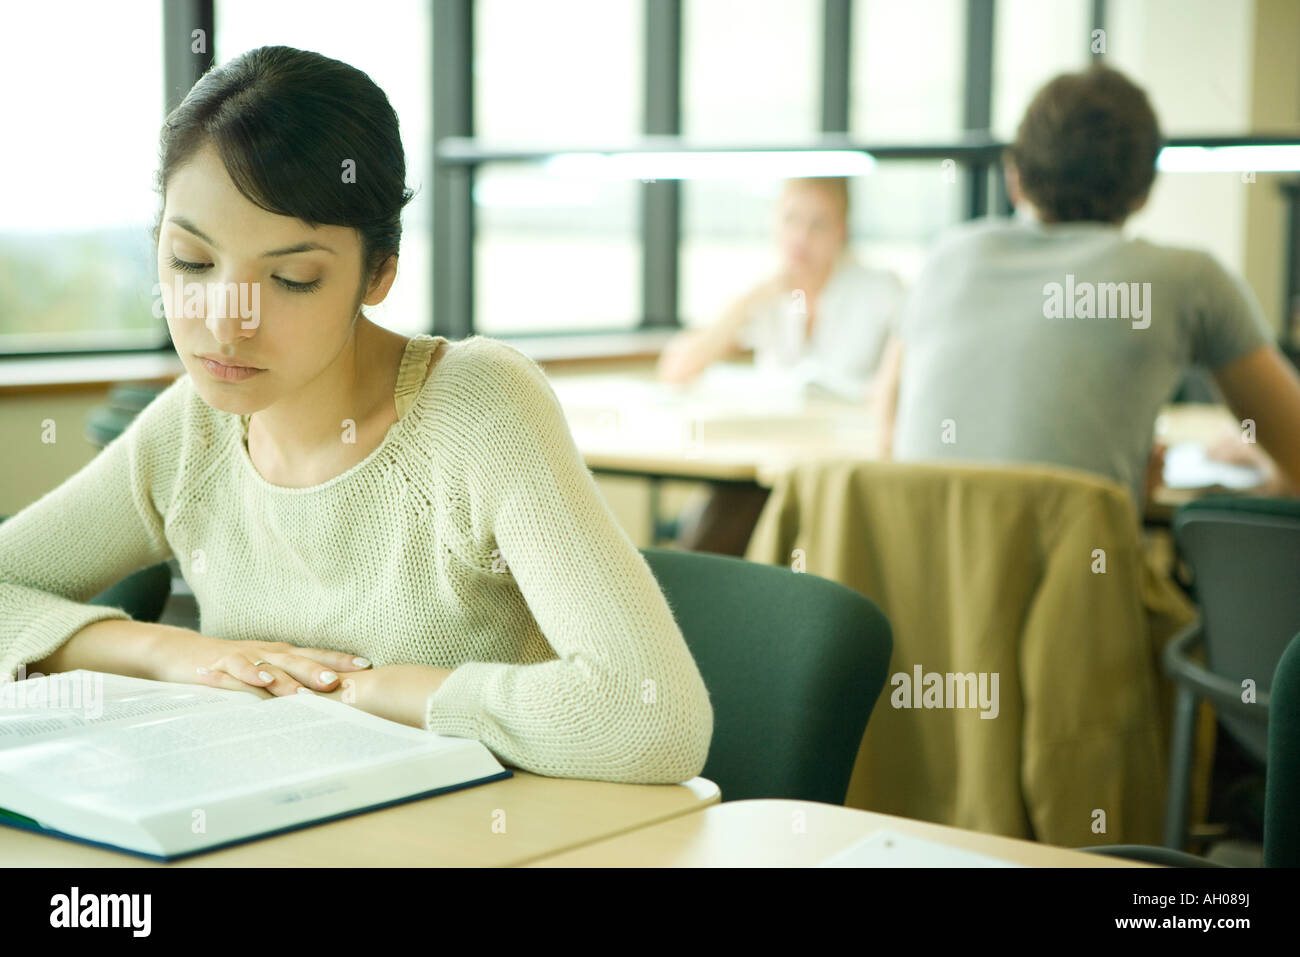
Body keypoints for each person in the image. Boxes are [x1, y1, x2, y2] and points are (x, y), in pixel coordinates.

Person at [0, 46, 712, 785]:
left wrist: (357, 690)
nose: (225, 323)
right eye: (192, 262)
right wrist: (169, 652)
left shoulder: (480, 407)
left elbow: (651, 718)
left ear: (379, 273)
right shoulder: (191, 428)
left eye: (290, 278)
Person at [873, 63, 1300, 511]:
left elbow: (887, 435)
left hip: (918, 576)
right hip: (1080, 576)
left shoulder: (946, 257)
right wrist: (1251, 469)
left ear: (1014, 176)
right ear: (1145, 190)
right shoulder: (1191, 279)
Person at [657, 176, 904, 554]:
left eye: (818, 223)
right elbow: (677, 370)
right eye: (790, 220)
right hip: (771, 460)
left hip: (842, 466)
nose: (801, 236)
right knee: (724, 514)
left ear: (842, 230)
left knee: (731, 525)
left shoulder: (881, 290)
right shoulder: (767, 294)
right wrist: (747, 303)